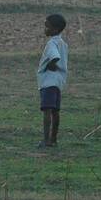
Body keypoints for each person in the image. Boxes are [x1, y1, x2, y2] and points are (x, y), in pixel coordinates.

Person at [37, 14, 69, 148]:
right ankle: (54, 139)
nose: (45, 29)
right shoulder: (63, 43)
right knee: (55, 112)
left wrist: (50, 65)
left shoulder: (51, 43)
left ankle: (46, 140)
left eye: (47, 26)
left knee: (47, 111)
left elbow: (55, 57)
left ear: (55, 30)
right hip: (58, 82)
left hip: (48, 81)